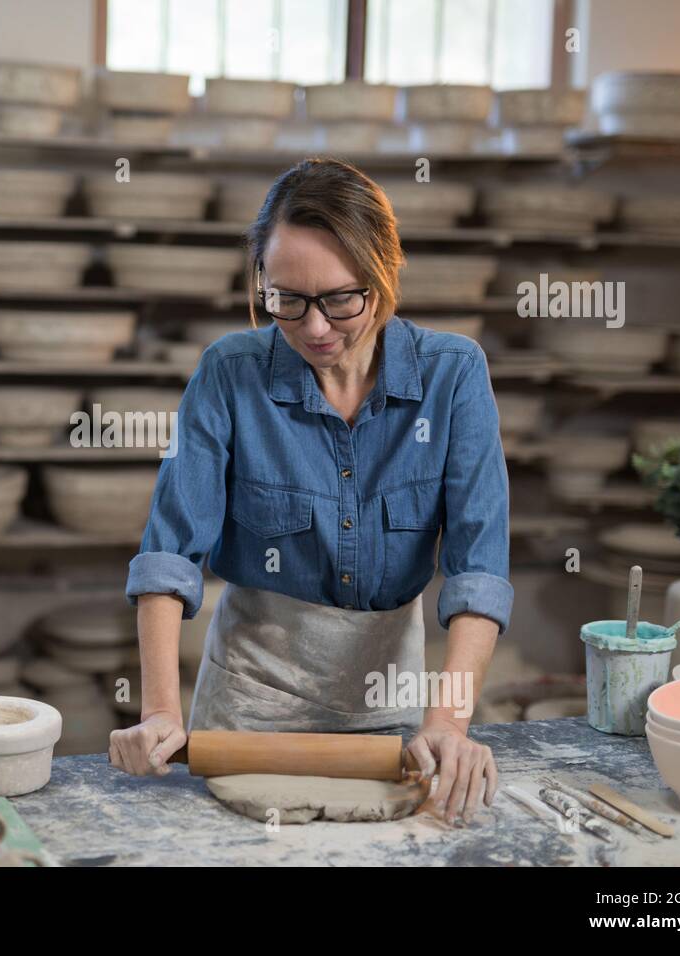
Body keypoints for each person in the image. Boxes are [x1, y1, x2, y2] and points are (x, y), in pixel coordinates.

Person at [109, 158, 512, 824]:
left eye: (339, 299)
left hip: (392, 710)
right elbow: (169, 554)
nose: (315, 328)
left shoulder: (453, 376)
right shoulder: (228, 374)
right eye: (287, 300)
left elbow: (479, 568)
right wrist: (159, 710)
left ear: (383, 273)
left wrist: (448, 720)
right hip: (250, 708)